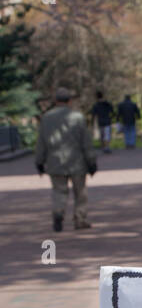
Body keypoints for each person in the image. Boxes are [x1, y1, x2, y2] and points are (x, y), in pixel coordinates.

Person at [34, 87, 96, 231]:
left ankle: (58, 213)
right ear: (69, 101)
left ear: (56, 101)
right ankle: (80, 219)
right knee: (80, 192)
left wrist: (39, 161)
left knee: (59, 191)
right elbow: (86, 142)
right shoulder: (77, 117)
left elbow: (41, 142)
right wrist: (91, 161)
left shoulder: (47, 118)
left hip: (55, 161)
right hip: (77, 162)